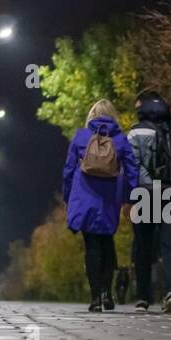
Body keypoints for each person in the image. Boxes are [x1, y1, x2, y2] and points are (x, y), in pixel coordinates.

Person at [62, 98, 139, 312]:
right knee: (106, 243)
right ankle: (106, 292)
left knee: (92, 246)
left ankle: (95, 296)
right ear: (113, 116)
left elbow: (68, 171)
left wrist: (67, 198)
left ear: (91, 116)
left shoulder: (81, 137)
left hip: (83, 197)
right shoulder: (121, 140)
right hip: (109, 199)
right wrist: (129, 199)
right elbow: (132, 171)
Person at [126, 89, 171, 313]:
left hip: (145, 194)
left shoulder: (134, 134)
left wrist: (130, 199)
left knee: (143, 246)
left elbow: (132, 170)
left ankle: (143, 299)